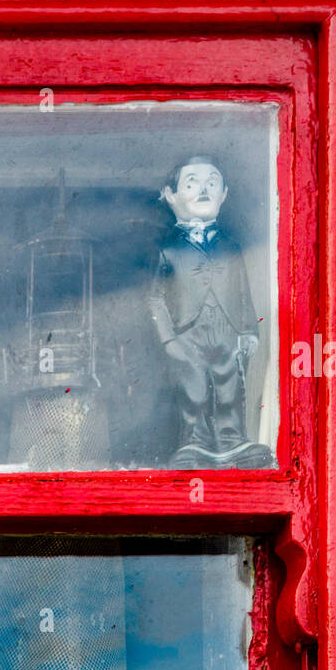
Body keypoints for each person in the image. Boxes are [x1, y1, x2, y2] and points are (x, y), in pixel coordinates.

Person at [147, 155, 273, 468]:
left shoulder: (231, 246)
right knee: (193, 385)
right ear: (171, 196)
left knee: (230, 382)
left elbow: (242, 293)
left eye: (211, 183)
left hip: (228, 328)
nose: (203, 190)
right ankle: (195, 440)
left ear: (224, 194)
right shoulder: (168, 248)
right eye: (192, 184)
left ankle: (231, 438)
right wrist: (168, 339)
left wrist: (249, 331)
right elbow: (154, 298)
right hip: (187, 330)